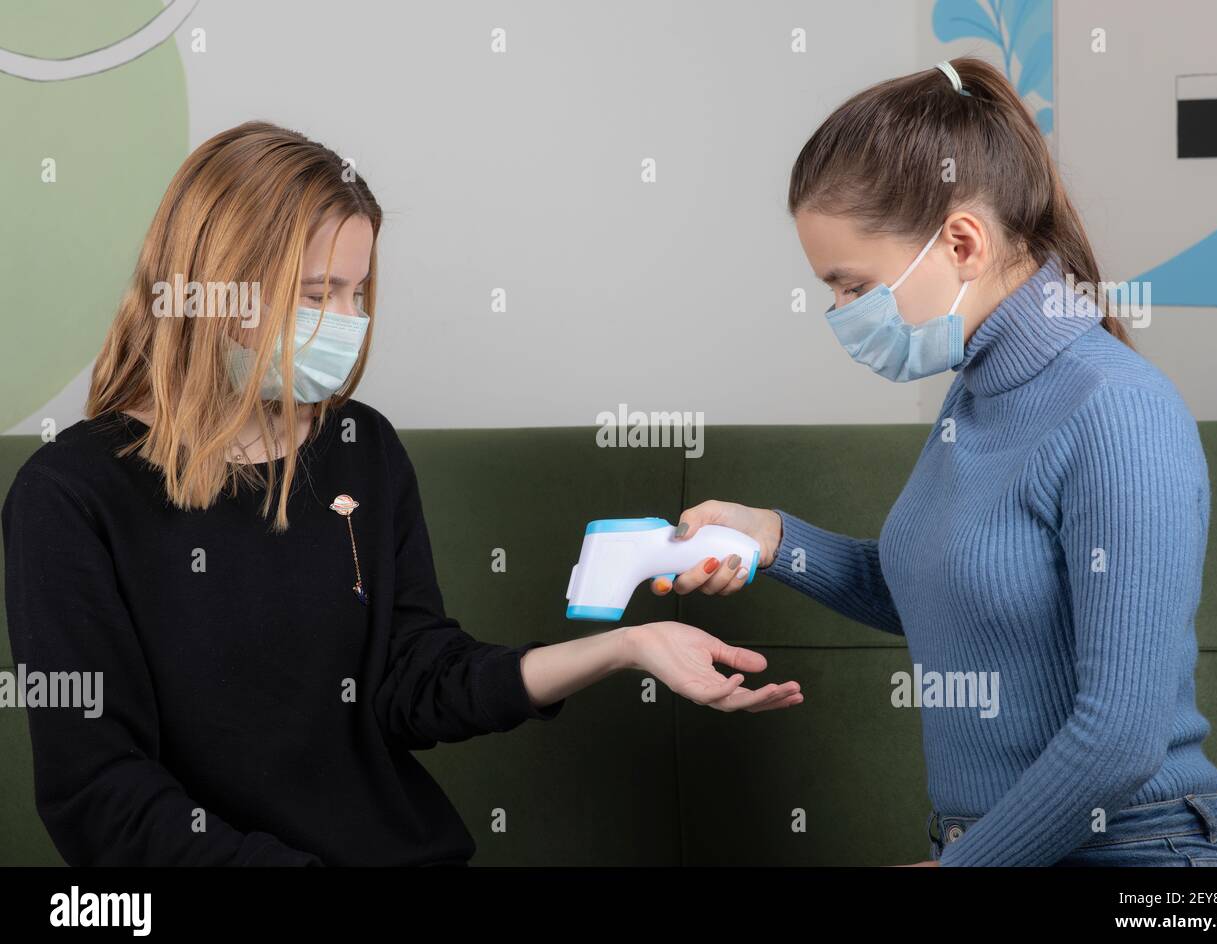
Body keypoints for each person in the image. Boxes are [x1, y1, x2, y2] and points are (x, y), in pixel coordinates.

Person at [0, 120, 801, 866]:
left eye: (357, 292)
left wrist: (625, 647)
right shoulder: (70, 497)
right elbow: (97, 795)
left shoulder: (362, 447)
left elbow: (415, 682)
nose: (348, 322)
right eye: (316, 294)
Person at [662, 59, 1217, 867]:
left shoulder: (1118, 409)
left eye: (850, 285)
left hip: (1141, 856)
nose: (840, 314)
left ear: (962, 242)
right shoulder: (977, 392)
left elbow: (1122, 735)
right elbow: (944, 594)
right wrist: (771, 537)